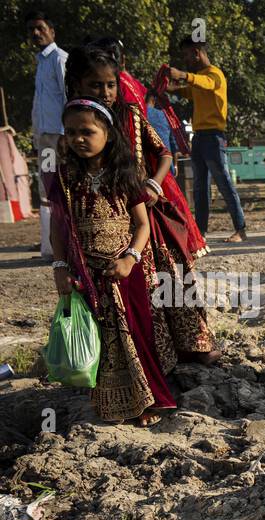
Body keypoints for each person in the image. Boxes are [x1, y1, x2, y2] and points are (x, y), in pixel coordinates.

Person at [68, 45, 217, 367]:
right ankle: (134, 364)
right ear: (78, 85)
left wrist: (153, 184)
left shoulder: (130, 114)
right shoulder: (74, 127)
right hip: (99, 227)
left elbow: (164, 153)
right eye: (96, 85)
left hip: (142, 214)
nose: (105, 92)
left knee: (168, 281)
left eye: (110, 85)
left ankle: (192, 347)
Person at [50, 99, 174, 426]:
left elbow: (142, 225)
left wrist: (130, 259)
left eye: (87, 131)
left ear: (107, 132)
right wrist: (60, 268)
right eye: (71, 132)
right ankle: (109, 402)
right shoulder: (64, 178)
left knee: (136, 334)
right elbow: (58, 228)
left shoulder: (125, 174)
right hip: (86, 274)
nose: (78, 139)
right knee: (101, 338)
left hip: (124, 272)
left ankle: (146, 402)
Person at [164, 37, 245, 242]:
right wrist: (174, 89)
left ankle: (241, 229)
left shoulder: (214, 74)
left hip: (214, 137)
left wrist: (183, 75)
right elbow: (192, 91)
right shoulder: (199, 77)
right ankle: (200, 232)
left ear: (197, 53)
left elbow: (206, 84)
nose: (185, 59)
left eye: (187, 54)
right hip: (200, 137)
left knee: (224, 183)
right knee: (200, 187)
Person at [27, 10, 68, 260]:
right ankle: (50, 247)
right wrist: (36, 138)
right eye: (32, 29)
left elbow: (68, 97)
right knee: (47, 190)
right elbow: (38, 105)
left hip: (59, 137)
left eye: (40, 28)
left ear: (52, 31)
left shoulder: (59, 59)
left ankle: (64, 247)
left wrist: (66, 134)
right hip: (45, 138)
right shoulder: (41, 62)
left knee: (61, 188)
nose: (36, 33)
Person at [143, 90, 177, 167]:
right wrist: (175, 165)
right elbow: (173, 144)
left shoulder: (139, 113)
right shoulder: (165, 116)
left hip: (147, 163)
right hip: (166, 165)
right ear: (154, 100)